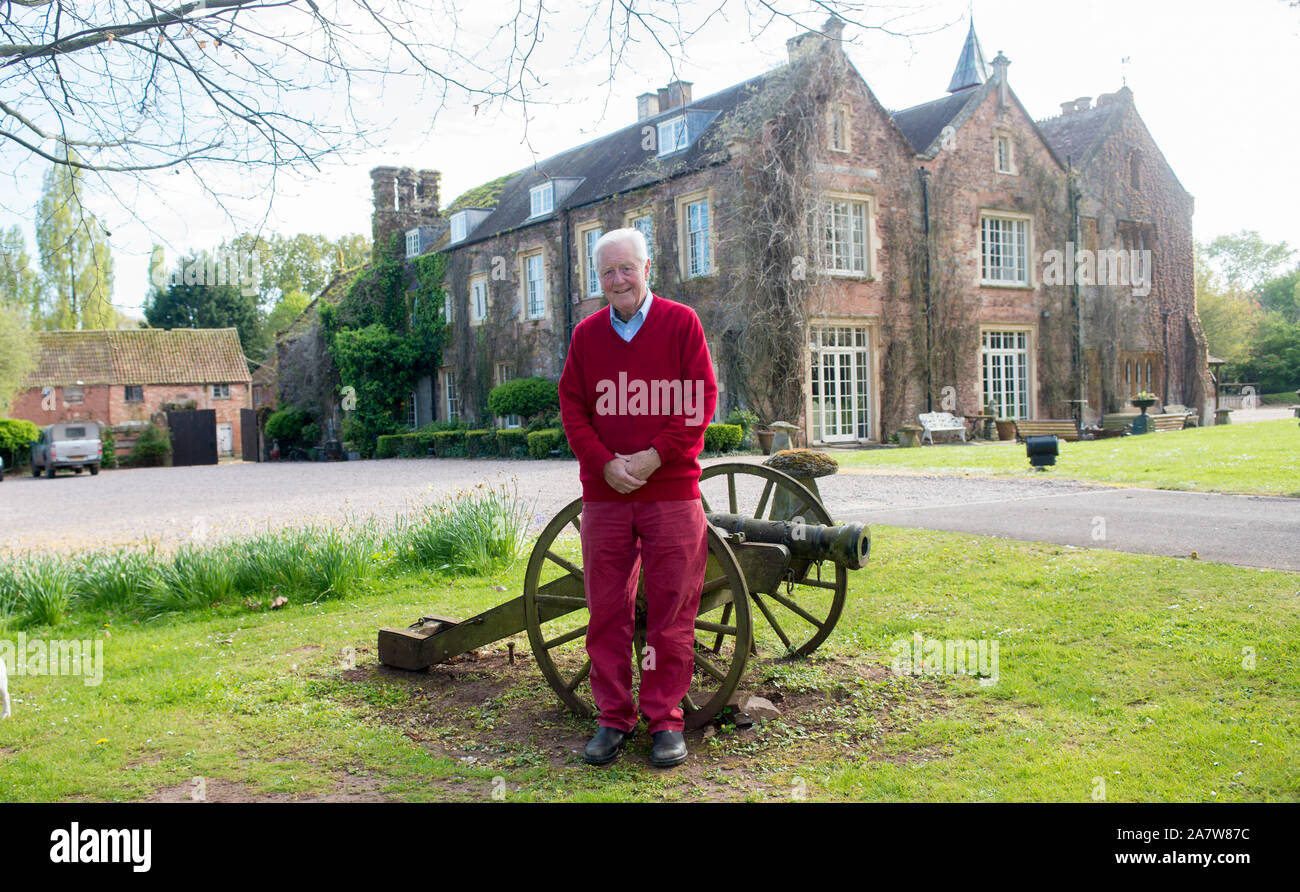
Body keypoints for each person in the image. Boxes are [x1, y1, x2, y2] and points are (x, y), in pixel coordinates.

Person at [558, 227, 717, 768]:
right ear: (597, 279)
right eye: (608, 272)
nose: (619, 279)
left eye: (627, 268)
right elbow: (573, 409)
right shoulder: (586, 336)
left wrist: (652, 457)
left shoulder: (681, 323)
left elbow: (699, 399)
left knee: (672, 611)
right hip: (604, 497)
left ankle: (665, 720)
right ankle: (612, 717)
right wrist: (604, 463)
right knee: (607, 611)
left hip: (671, 491)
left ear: (647, 267)